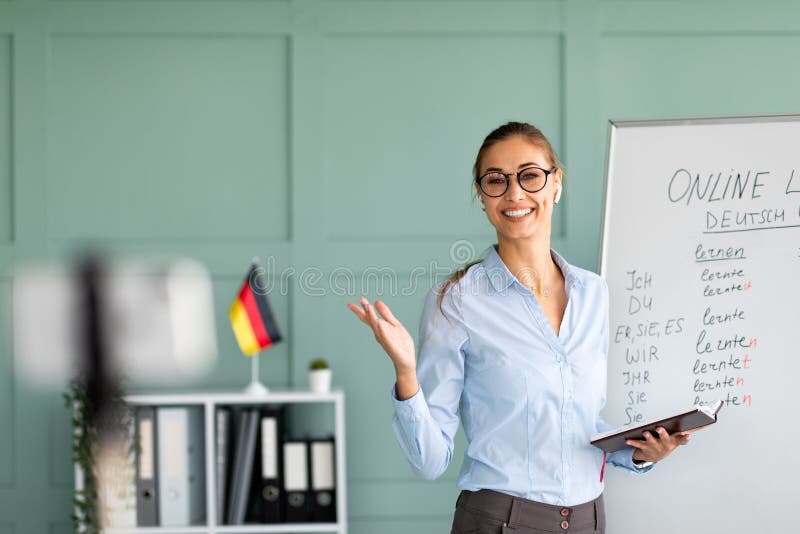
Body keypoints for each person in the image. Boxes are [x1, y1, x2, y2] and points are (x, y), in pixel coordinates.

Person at [347, 122, 693, 534]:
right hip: (499, 522)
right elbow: (429, 461)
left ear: (556, 184)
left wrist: (641, 453)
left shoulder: (593, 293)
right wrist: (406, 373)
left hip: (589, 520)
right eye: (496, 180)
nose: (514, 193)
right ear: (481, 195)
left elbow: (578, 424)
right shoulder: (457, 301)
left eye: (529, 175)